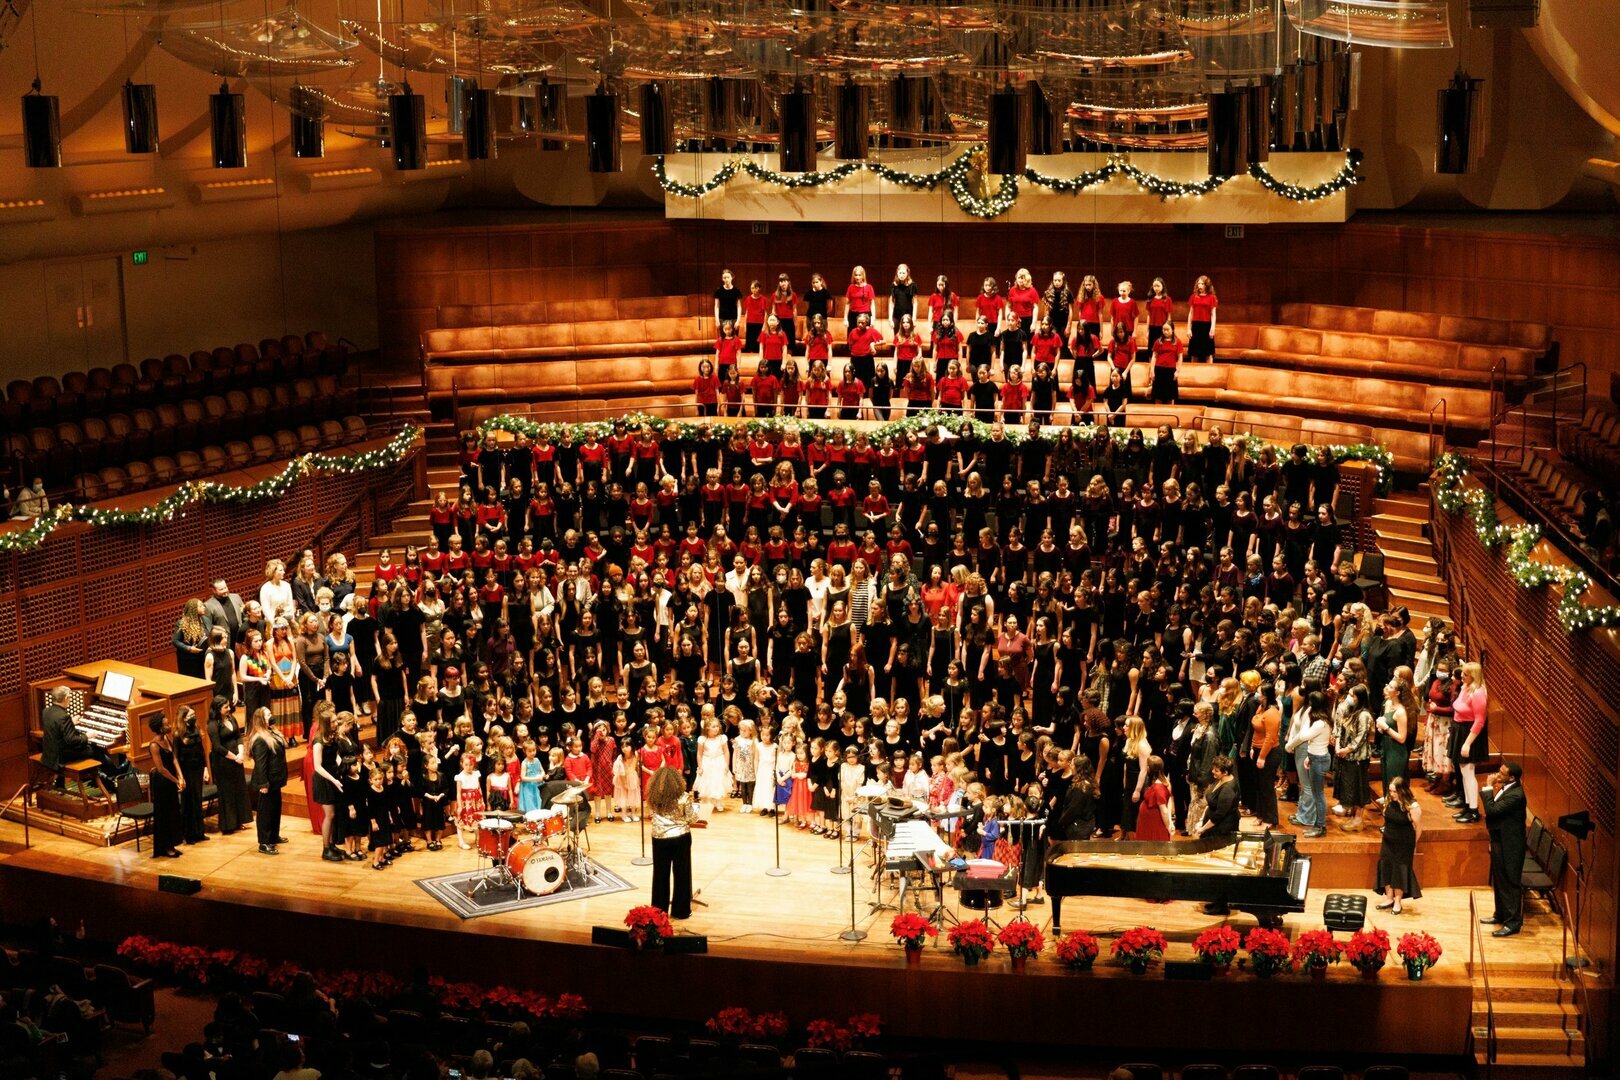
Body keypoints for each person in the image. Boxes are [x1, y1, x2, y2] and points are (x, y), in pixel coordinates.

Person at [1480, 761, 1527, 936]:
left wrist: (1487, 787)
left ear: (1512, 777)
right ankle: (1500, 914)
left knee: (1510, 883)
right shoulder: (1506, 788)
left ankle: (1513, 922)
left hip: (1511, 846)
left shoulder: (1516, 795)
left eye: (1502, 773)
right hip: (1500, 841)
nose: (1498, 775)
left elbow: (1492, 810)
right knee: (1499, 880)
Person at [646, 765, 698, 920]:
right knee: (682, 874)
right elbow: (692, 818)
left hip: (659, 838)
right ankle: (681, 910)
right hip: (680, 837)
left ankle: (659, 912)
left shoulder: (654, 797)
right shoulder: (683, 797)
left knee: (660, 875)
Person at [39, 686, 112, 797]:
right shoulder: (64, 716)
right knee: (97, 750)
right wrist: (87, 736)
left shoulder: (47, 711)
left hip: (50, 752)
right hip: (62, 757)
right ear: (66, 698)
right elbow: (72, 740)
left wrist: (71, 722)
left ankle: (60, 783)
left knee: (92, 747)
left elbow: (56, 728)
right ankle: (110, 779)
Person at [1376, 775, 1422, 914]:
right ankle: (1389, 897)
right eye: (1390, 791)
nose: (1392, 794)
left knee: (1399, 871)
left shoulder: (1412, 806)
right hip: (1388, 841)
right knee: (1387, 867)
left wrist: (1414, 845)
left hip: (1403, 843)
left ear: (1402, 791)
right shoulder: (1389, 801)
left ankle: (1397, 901)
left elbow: (1418, 828)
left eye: (1395, 791)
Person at [1450, 661, 1490, 824]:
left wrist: (1467, 743)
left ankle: (1474, 810)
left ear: (1473, 675)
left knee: (1468, 771)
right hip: (1460, 729)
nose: (1462, 676)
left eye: (1465, 674)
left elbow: (1480, 721)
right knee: (1463, 770)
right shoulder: (1466, 687)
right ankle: (1467, 805)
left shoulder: (1479, 693)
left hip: (1470, 733)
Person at [248, 707, 289, 856]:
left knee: (275, 808)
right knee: (265, 811)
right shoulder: (260, 739)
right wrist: (263, 784)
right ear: (261, 719)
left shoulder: (272, 732)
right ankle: (264, 842)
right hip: (267, 782)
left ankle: (273, 835)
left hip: (275, 780)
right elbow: (260, 764)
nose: (271, 716)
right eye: (268, 715)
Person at [207, 695, 251, 834]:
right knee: (227, 793)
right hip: (223, 762)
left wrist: (240, 753)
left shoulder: (232, 718)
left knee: (239, 790)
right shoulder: (212, 725)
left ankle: (238, 821)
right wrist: (234, 758)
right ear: (217, 709)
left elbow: (238, 736)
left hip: (236, 758)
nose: (228, 709)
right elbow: (218, 747)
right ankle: (228, 825)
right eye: (225, 707)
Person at [145, 714, 184, 859]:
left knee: (174, 812)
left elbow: (174, 758)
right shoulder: (154, 745)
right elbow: (161, 769)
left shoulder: (167, 739)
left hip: (171, 779)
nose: (170, 726)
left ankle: (172, 844)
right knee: (165, 815)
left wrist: (181, 776)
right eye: (167, 725)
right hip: (162, 783)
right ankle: (166, 847)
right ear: (160, 728)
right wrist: (176, 780)